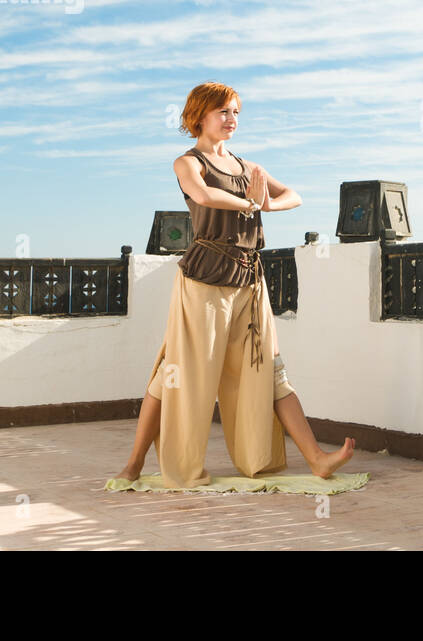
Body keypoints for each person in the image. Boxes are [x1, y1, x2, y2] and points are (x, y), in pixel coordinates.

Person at [114, 81, 354, 487]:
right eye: (224, 111)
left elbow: (293, 195)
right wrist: (248, 203)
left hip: (248, 280)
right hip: (204, 280)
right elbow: (203, 196)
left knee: (270, 371)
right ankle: (136, 462)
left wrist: (268, 204)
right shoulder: (188, 162)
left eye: (236, 113)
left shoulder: (249, 168)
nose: (231, 120)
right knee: (175, 374)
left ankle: (316, 458)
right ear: (200, 115)